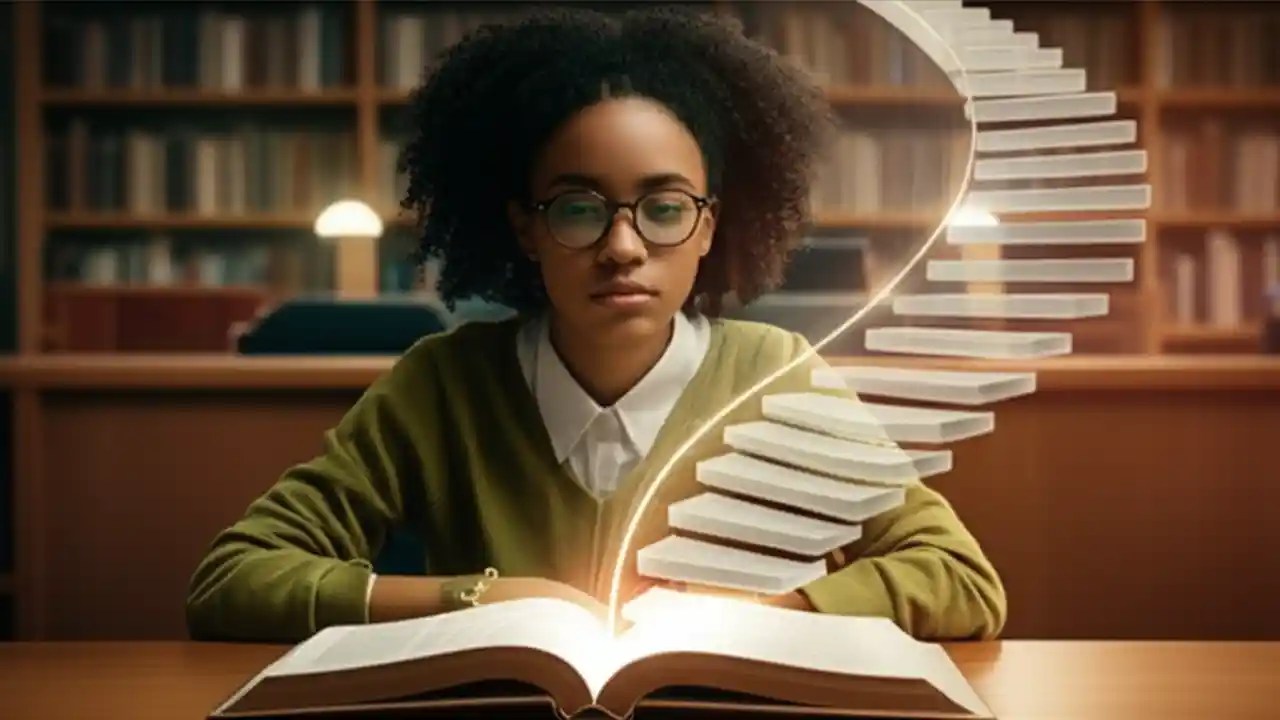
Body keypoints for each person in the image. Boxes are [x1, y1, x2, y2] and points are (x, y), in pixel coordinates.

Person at [186, 4, 1006, 643]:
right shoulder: (442, 385)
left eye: (663, 208)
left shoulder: (776, 378)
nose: (622, 247)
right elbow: (232, 579)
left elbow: (963, 582)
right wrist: (481, 599)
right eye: (579, 208)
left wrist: (770, 607)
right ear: (524, 227)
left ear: (710, 228)